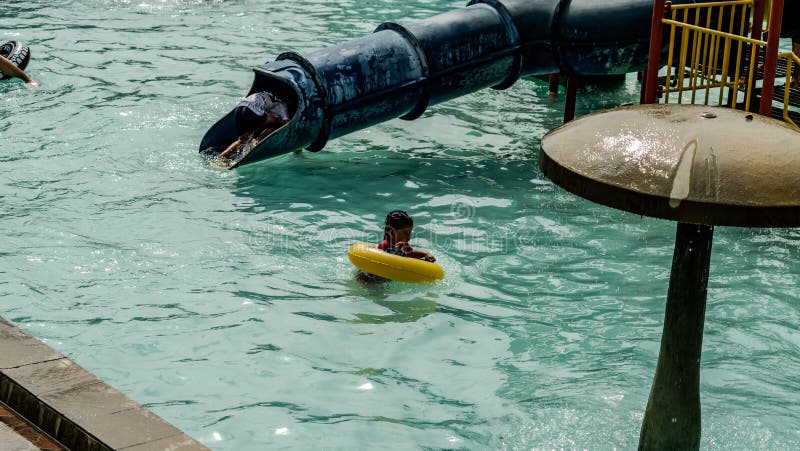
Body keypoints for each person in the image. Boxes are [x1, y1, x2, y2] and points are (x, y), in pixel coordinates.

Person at [356, 210, 436, 283]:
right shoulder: (384, 245)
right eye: (405, 233)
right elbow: (381, 263)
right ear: (391, 233)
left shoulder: (403, 245)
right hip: (370, 281)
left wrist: (425, 254)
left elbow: (410, 253)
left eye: (410, 233)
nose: (409, 237)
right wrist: (395, 251)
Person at [217, 91, 290, 159]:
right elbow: (287, 124)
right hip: (252, 111)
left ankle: (221, 158)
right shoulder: (282, 105)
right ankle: (257, 142)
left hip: (240, 108)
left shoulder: (265, 93)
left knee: (243, 140)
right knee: (277, 123)